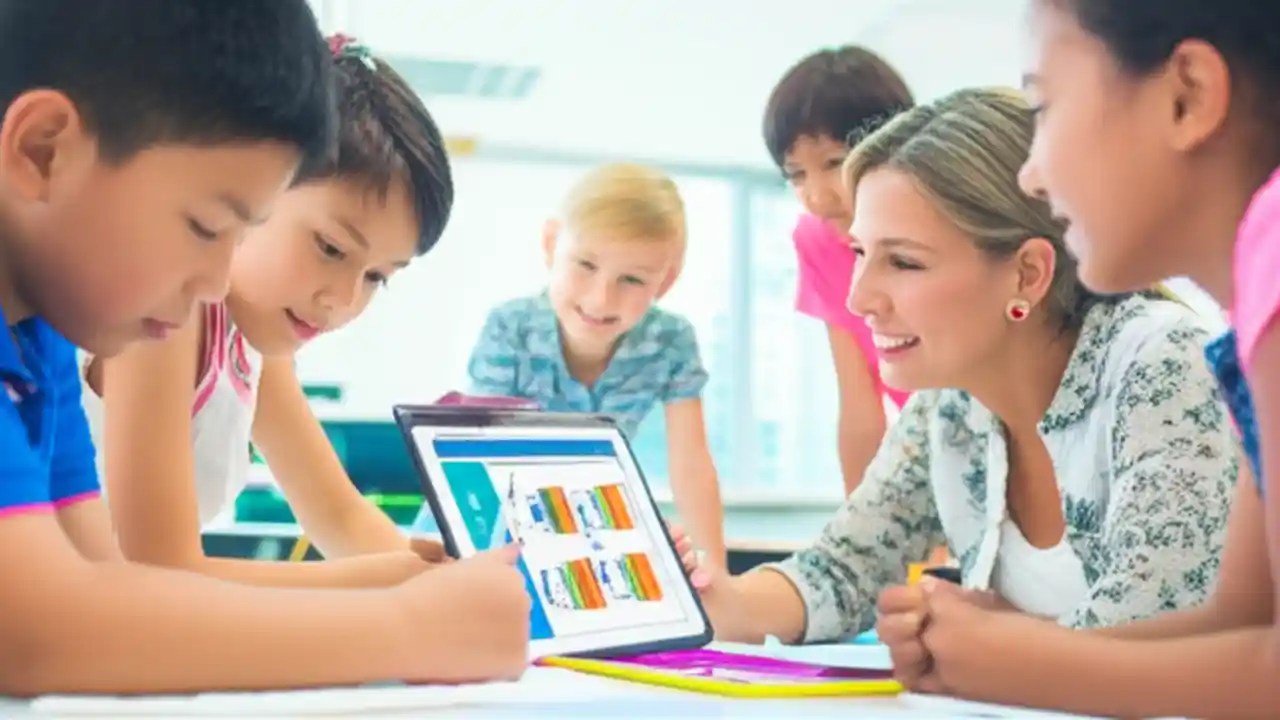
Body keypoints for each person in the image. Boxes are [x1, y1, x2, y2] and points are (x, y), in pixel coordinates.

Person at [0, 0, 526, 694]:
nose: (217, 281)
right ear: (43, 151)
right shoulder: (131, 323)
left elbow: (103, 581)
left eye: (377, 277)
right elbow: (40, 627)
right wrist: (406, 621)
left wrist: (417, 592)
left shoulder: (40, 338)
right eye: (206, 225)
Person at [674, 88, 1235, 650]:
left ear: (1027, 274)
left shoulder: (1166, 364)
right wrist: (707, 601)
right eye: (860, 254)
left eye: (904, 262)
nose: (858, 299)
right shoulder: (952, 401)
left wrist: (986, 641)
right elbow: (841, 571)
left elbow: (1152, 631)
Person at [888, 2, 1280, 717]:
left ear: (1187, 96)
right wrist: (1007, 649)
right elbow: (1244, 626)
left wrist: (1018, 658)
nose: (1032, 176)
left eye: (1045, 108)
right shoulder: (1252, 319)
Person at [83, 35, 449, 586]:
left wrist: (432, 574)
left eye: (377, 276)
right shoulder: (166, 309)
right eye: (330, 249)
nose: (344, 300)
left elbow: (339, 515)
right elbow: (156, 571)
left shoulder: (251, 339)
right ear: (256, 185)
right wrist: (392, 588)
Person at [468, 163, 725, 565]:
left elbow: (691, 465)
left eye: (632, 280)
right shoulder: (510, 328)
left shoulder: (670, 341)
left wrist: (716, 569)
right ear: (551, 245)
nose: (601, 299)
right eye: (585, 265)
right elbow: (478, 452)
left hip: (581, 530)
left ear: (665, 281)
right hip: (485, 521)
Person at [763, 46, 913, 494]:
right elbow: (859, 404)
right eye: (796, 174)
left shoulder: (949, 226)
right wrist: (859, 525)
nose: (815, 195)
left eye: (833, 163)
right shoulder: (818, 240)